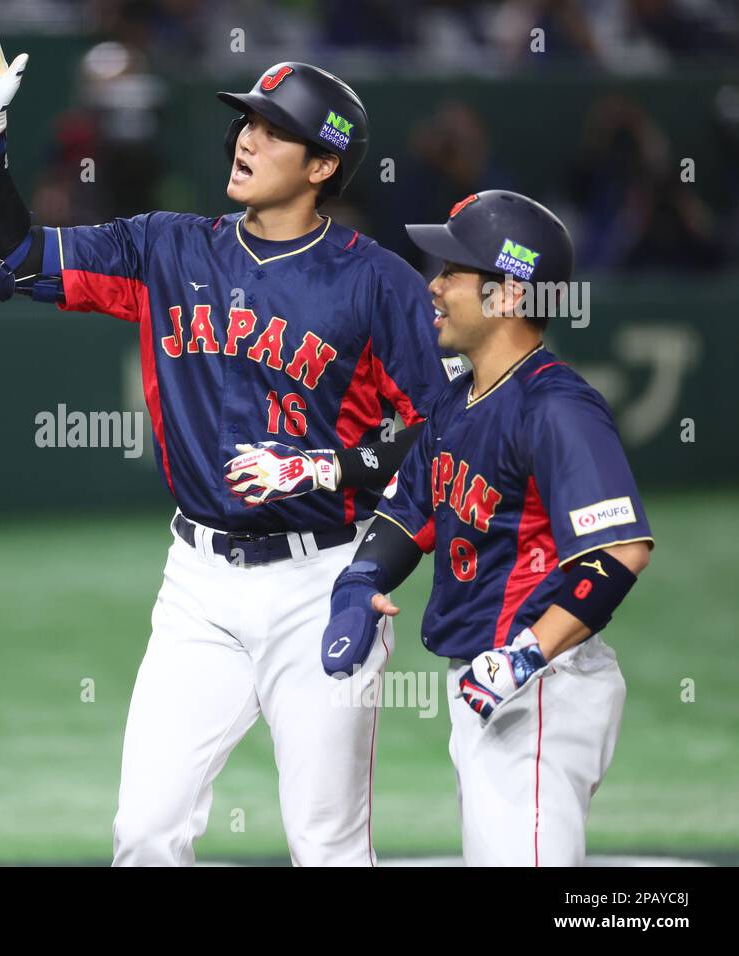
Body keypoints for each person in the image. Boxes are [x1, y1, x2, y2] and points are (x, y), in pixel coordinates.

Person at [0, 2, 459, 865]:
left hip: (323, 578)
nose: (246, 141)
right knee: (145, 833)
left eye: (273, 129)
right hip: (198, 587)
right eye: (245, 123)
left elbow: (445, 430)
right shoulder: (167, 247)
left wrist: (332, 468)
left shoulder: (378, 282)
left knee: (327, 843)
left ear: (325, 163)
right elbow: (13, 255)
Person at [321, 190, 653, 866]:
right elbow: (411, 507)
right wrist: (360, 579)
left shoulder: (558, 407)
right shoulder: (457, 396)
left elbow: (619, 551)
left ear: (505, 296)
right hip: (489, 684)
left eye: (452, 272)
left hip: (540, 688)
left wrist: (526, 656)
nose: (433, 287)